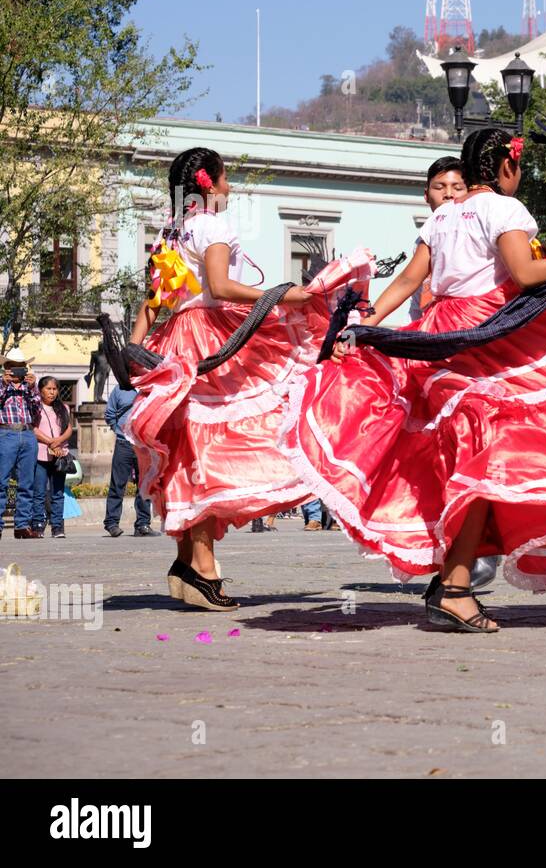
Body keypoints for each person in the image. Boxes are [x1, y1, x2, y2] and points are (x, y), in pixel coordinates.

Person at [282, 125, 546, 634]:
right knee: (495, 456)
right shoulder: (505, 210)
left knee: (458, 456)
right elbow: (526, 275)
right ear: (507, 167)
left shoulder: (444, 214)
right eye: (519, 166)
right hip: (485, 335)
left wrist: (366, 323)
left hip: (438, 334)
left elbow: (407, 281)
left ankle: (451, 578)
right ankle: (457, 587)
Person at [125, 147, 372, 611]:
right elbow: (219, 288)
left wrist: (135, 353)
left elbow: (153, 302)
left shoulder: (170, 232)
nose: (229, 186)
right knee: (214, 447)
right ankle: (201, 565)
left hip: (174, 339)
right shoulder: (213, 225)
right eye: (225, 177)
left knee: (188, 450)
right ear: (210, 181)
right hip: (211, 335)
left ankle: (189, 561)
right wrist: (283, 296)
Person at [409, 157, 468, 322]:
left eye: (458, 188)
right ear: (426, 195)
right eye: (439, 187)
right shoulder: (421, 241)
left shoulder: (475, 234)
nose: (448, 194)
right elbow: (415, 292)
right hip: (428, 330)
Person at [103, 383, 155, 537]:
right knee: (117, 484)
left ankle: (143, 524)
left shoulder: (151, 387)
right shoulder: (120, 389)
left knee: (144, 485)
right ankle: (112, 523)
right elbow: (110, 413)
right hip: (124, 443)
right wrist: (118, 430)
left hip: (144, 444)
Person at [0, 349, 40, 539]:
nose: (18, 372)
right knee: (1, 482)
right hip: (6, 433)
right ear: (6, 368)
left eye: (21, 368)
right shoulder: (1, 385)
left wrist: (32, 389)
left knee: (27, 483)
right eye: (14, 368)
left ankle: (22, 525)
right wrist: (3, 384)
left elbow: (37, 410)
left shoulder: (29, 387)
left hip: (28, 432)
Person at [31, 376, 73, 538]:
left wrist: (58, 442)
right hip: (41, 454)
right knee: (39, 492)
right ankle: (38, 525)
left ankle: (57, 527)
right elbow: (33, 429)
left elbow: (68, 428)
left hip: (59, 455)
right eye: (48, 389)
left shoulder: (63, 408)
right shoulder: (35, 407)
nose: (52, 392)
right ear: (40, 390)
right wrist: (49, 442)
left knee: (58, 492)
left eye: (54, 389)